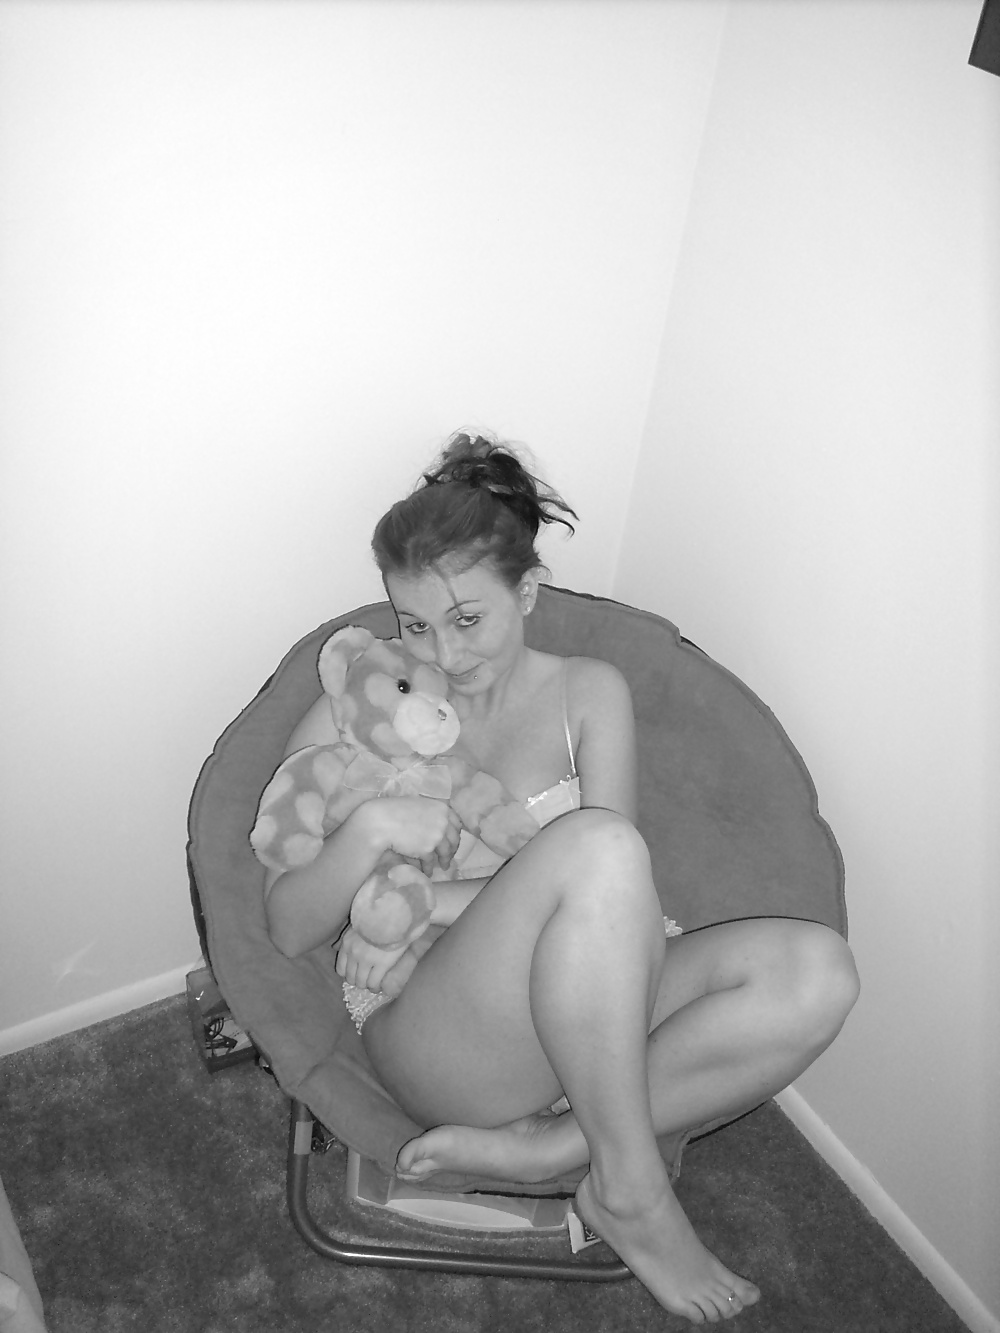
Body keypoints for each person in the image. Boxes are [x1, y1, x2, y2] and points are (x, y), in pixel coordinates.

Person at [264, 431, 860, 1325]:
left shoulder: (590, 690)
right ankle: (631, 1185)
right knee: (601, 847)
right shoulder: (367, 703)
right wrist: (373, 832)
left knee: (818, 973)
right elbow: (283, 924)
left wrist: (420, 903)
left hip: (596, 1005)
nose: (443, 653)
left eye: (468, 619)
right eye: (415, 624)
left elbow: (620, 896)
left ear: (528, 591)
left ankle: (553, 1150)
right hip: (440, 1029)